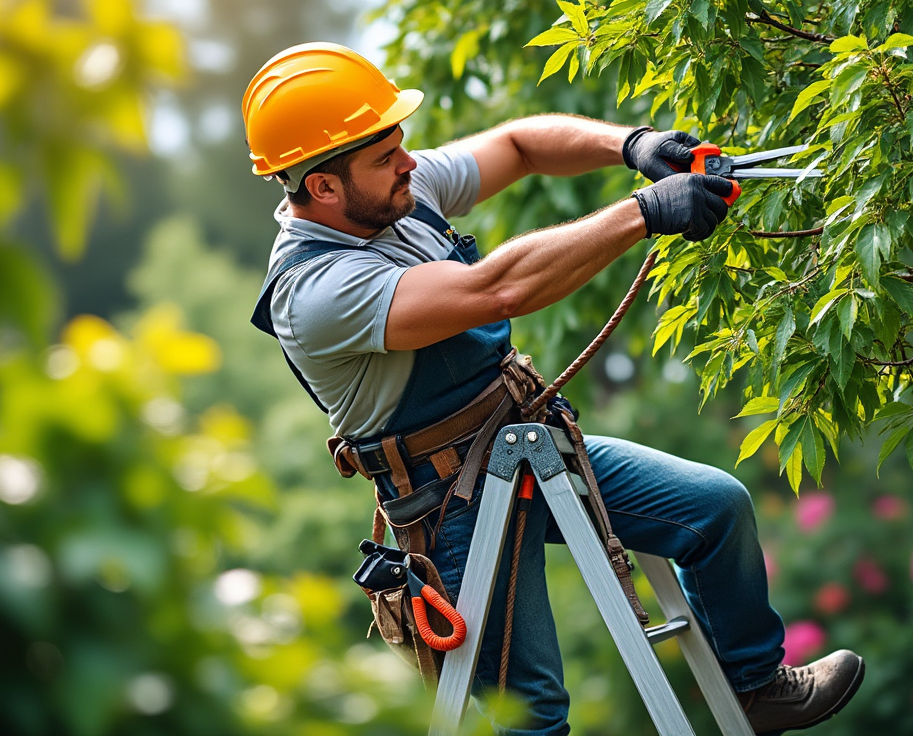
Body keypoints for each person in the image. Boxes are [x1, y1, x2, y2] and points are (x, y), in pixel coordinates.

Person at [244, 42, 864, 735]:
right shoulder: (315, 293)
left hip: (527, 443)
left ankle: (756, 684)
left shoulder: (392, 199)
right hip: (449, 504)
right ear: (323, 186)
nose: (410, 164)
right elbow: (498, 288)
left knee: (716, 511)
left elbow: (520, 143)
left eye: (400, 144)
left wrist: (634, 145)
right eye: (386, 156)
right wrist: (645, 211)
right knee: (534, 717)